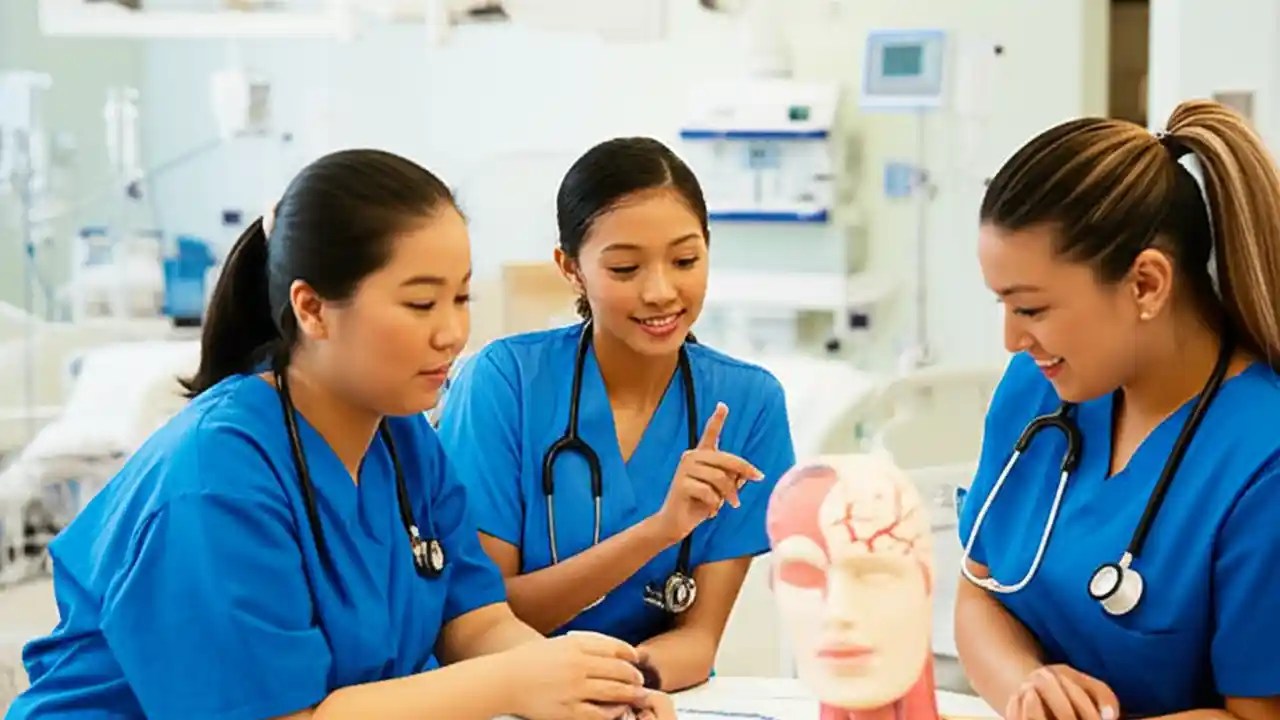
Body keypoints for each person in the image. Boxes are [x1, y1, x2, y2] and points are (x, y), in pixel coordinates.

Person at [5, 149, 675, 720]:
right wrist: (514, 684)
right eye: (420, 303)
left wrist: (590, 686)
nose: (451, 332)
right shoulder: (214, 481)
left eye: (462, 297)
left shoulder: (405, 442)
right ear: (312, 309)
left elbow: (473, 620)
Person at [955, 99, 1280, 720]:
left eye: (1031, 309)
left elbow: (1257, 716)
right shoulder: (1037, 388)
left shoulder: (1263, 462)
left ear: (1146, 284)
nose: (1011, 341)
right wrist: (1027, 686)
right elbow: (980, 590)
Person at [434, 137, 797, 692]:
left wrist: (626, 691)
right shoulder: (505, 384)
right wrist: (658, 532)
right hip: (503, 692)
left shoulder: (748, 402)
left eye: (685, 260)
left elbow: (697, 639)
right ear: (570, 268)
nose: (660, 291)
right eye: (625, 268)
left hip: (647, 694)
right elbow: (481, 618)